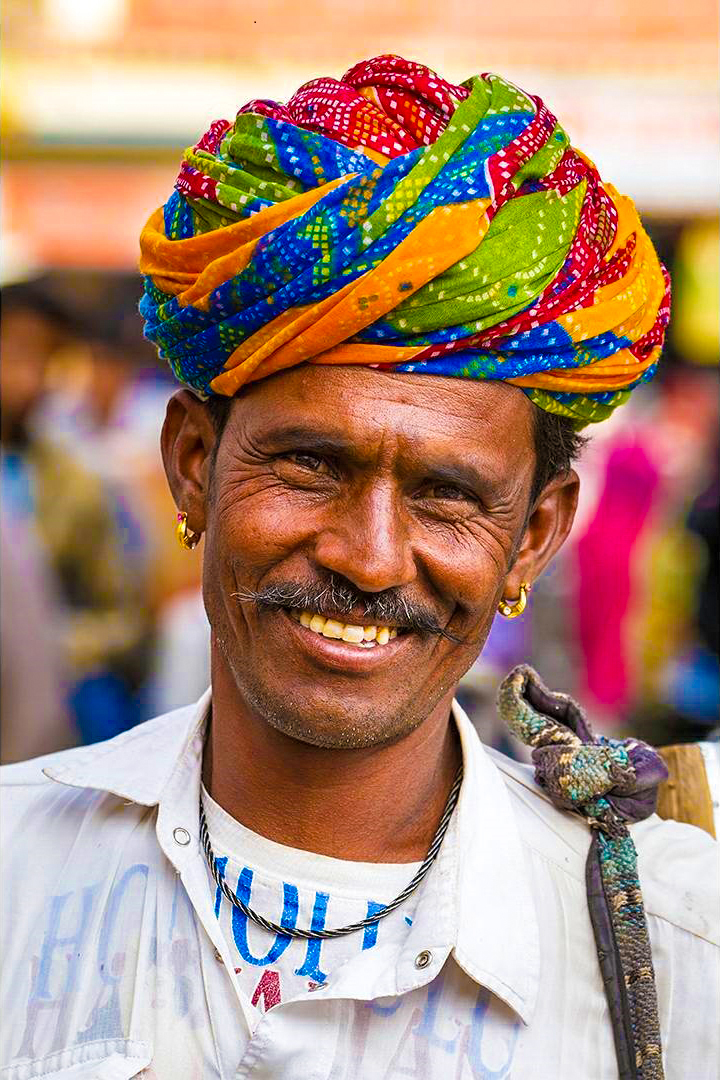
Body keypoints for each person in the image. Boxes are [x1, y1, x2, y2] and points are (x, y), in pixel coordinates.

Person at [1, 57, 716, 1080]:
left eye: (447, 495)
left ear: (536, 533)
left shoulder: (679, 942)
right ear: (194, 469)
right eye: (308, 466)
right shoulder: (14, 869)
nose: (370, 557)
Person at [0, 281, 152, 748]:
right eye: (17, 352)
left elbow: (122, 618)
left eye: (48, 358)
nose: (30, 376)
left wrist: (53, 647)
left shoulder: (74, 482)